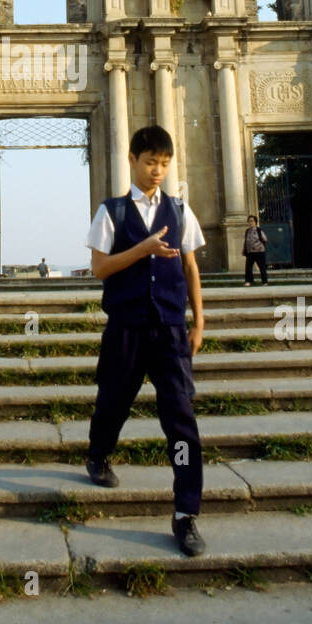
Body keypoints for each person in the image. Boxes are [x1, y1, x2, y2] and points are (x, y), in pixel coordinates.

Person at [84, 124, 206, 557]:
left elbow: (191, 268)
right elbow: (99, 268)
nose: (158, 171)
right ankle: (98, 454)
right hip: (126, 328)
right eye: (151, 162)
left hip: (171, 330)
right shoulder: (112, 212)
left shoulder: (179, 209)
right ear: (133, 160)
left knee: (181, 421)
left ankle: (185, 512)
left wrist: (199, 322)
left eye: (164, 164)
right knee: (113, 402)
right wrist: (143, 250)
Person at [242, 214, 268, 285]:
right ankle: (249, 281)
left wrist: (259, 246)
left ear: (255, 222)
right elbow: (246, 241)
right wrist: (244, 249)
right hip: (250, 252)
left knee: (262, 267)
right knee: (248, 268)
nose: (250, 223)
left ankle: (264, 281)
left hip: (259, 252)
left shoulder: (259, 230)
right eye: (249, 221)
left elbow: (265, 239)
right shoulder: (247, 231)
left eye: (252, 221)